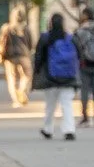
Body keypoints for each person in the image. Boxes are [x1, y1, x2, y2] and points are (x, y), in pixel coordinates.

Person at [34, 12, 80, 140]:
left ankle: (48, 129)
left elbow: (38, 57)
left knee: (50, 105)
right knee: (67, 104)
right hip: (68, 78)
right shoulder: (70, 38)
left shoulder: (45, 38)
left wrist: (37, 71)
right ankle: (69, 130)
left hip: (50, 78)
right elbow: (79, 55)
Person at [0, 8, 34, 109]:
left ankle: (16, 100)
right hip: (24, 55)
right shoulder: (26, 28)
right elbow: (31, 44)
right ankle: (22, 90)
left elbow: (0, 41)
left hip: (10, 56)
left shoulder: (6, 28)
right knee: (27, 76)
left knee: (11, 78)